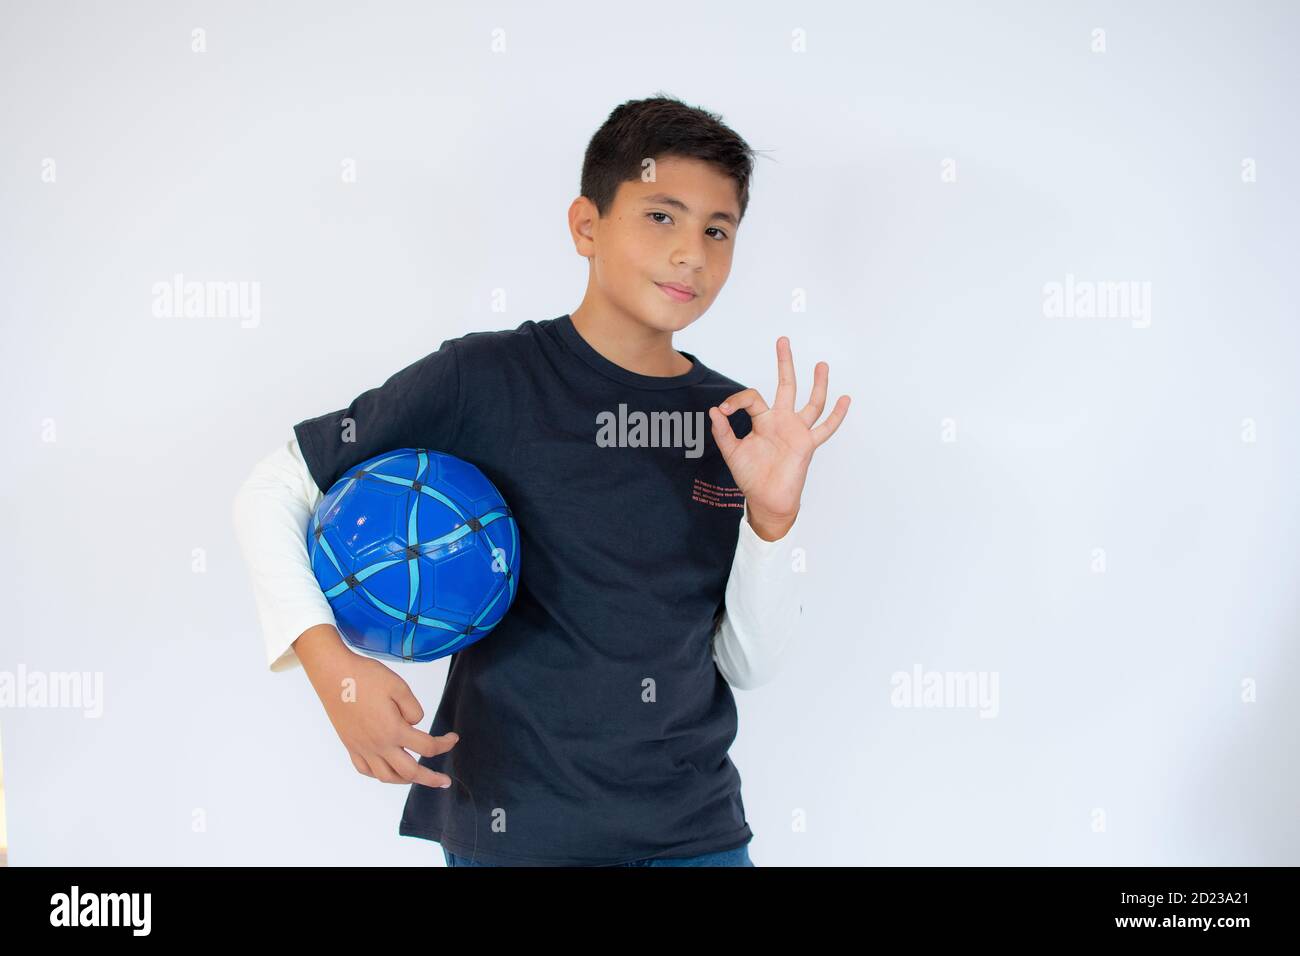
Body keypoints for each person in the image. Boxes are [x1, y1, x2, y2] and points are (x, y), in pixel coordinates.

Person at [232, 94, 850, 867]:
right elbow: (274, 486)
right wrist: (332, 667)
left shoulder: (733, 425)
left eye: (716, 230)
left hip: (695, 837)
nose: (692, 251)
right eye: (662, 216)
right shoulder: (483, 378)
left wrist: (771, 521)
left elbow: (748, 665)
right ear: (586, 226)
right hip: (515, 834)